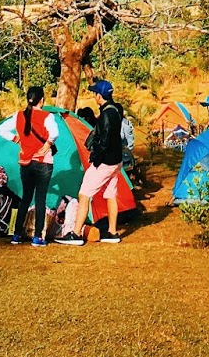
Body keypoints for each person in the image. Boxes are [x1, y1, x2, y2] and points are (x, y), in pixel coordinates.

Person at [60, 81, 126, 245]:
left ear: (99, 95)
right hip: (116, 161)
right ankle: (112, 232)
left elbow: (104, 141)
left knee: (84, 194)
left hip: (105, 162)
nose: (94, 96)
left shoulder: (106, 114)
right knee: (111, 194)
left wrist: (95, 158)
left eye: (94, 93)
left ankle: (75, 234)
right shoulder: (116, 109)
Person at [11, 87, 58, 246]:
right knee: (40, 199)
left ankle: (17, 234)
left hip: (25, 162)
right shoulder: (47, 116)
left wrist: (16, 139)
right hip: (43, 161)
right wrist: (48, 144)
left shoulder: (18, 115)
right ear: (42, 100)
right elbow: (54, 133)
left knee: (26, 197)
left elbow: (1, 130)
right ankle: (37, 237)